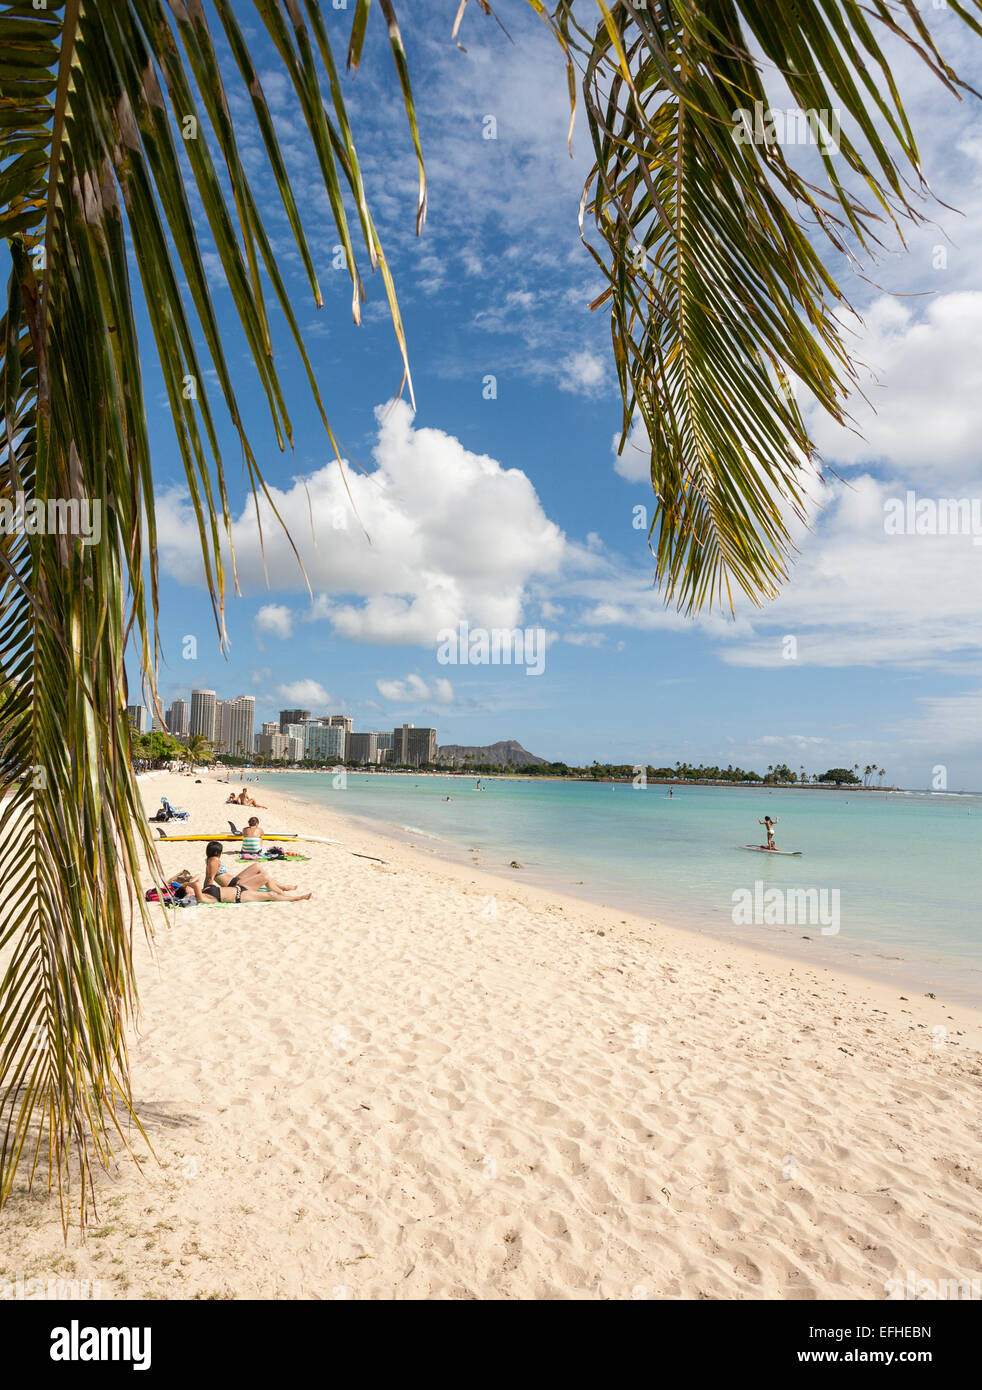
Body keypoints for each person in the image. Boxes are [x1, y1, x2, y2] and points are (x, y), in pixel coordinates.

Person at [202, 841, 303, 897]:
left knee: (257, 866)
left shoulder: (211, 860)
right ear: (217, 852)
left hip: (234, 881)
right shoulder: (214, 861)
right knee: (264, 877)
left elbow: (209, 876)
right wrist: (206, 891)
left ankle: (282, 887)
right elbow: (210, 878)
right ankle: (282, 891)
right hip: (234, 885)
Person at [181, 873, 310, 905]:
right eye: (188, 889)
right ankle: (296, 898)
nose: (190, 888)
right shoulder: (202, 898)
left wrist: (187, 884)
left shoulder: (204, 890)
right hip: (240, 897)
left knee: (264, 878)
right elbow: (196, 885)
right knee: (270, 895)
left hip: (239, 888)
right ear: (187, 894)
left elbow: (198, 877)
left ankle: (285, 892)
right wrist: (186, 885)